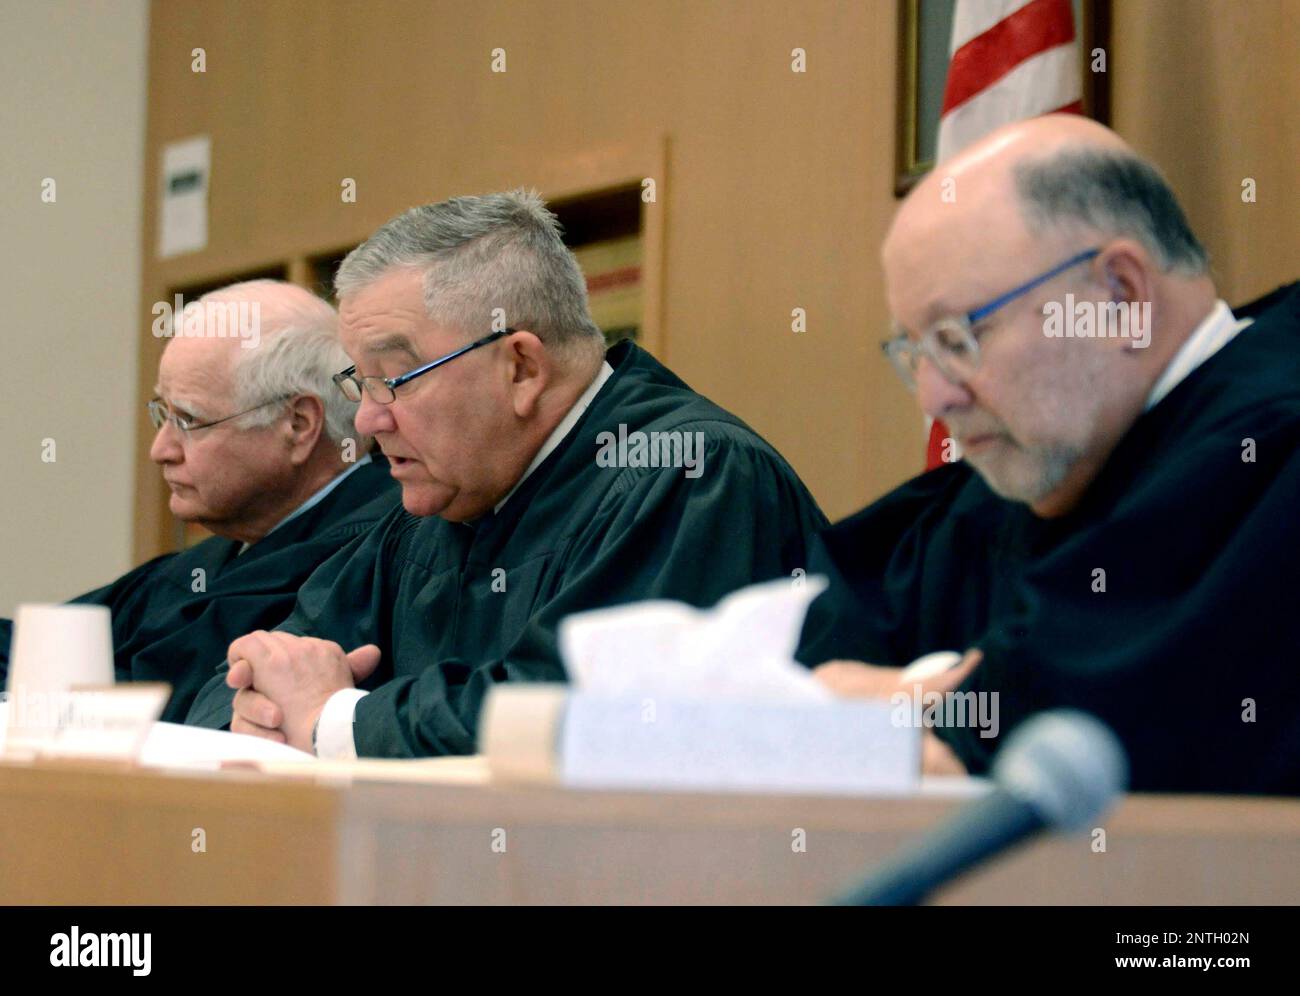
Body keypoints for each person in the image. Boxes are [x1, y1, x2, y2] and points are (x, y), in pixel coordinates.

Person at [186, 190, 828, 757]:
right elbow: (241, 674)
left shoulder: (691, 476)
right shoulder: (439, 502)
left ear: (520, 367)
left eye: (391, 381)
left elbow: (568, 717)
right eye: (361, 384)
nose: (366, 423)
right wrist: (259, 711)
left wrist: (334, 720)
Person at [799, 115, 1300, 794]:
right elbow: (806, 670)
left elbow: (1011, 754)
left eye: (960, 337)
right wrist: (917, 695)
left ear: (1119, 297)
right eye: (915, 352)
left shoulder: (1266, 456)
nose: (935, 396)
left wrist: (899, 698)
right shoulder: (1029, 469)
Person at [1, 280, 400, 721]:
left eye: (188, 420)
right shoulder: (209, 560)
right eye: (162, 414)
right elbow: (36, 649)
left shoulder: (379, 555)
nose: (161, 449)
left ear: (298, 424)